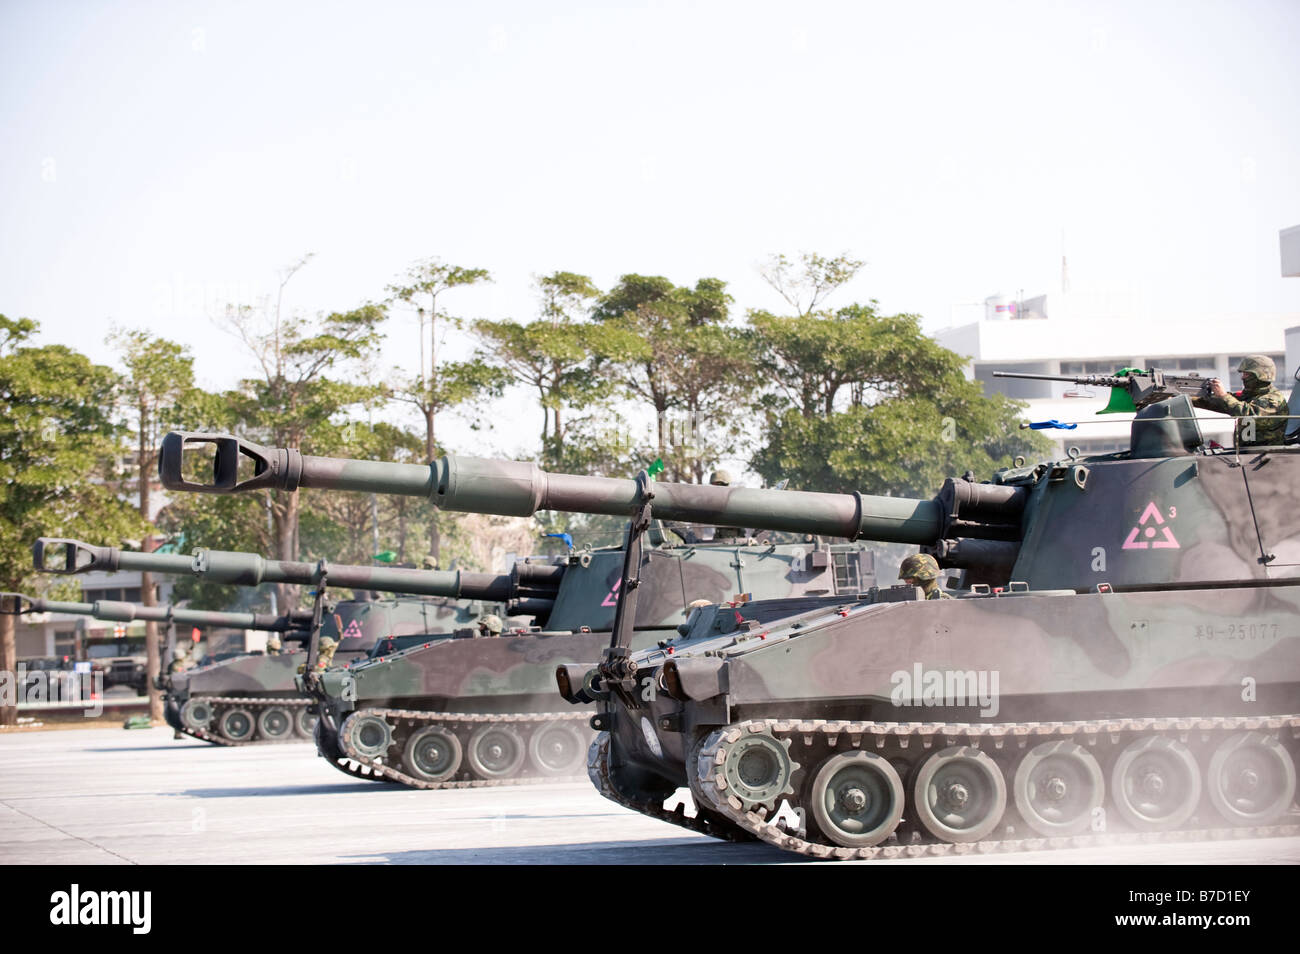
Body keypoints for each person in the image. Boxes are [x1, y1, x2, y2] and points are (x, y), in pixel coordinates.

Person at [1192, 355, 1290, 447]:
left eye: (1246, 374)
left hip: (1265, 456)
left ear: (1259, 375)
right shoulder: (1250, 396)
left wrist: (1223, 396)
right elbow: (1222, 404)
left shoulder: (1273, 400)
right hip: (1247, 454)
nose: (1242, 377)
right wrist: (1190, 398)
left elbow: (1248, 414)